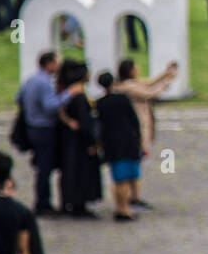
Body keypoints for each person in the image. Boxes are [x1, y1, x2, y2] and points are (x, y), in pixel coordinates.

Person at [16, 52, 82, 216]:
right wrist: (69, 94)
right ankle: (43, 203)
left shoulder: (30, 79)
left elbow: (19, 98)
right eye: (56, 62)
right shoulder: (45, 83)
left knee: (42, 167)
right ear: (49, 64)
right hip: (44, 128)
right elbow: (51, 106)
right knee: (44, 168)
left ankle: (43, 201)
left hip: (32, 127)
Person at [111, 59, 177, 210]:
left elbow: (150, 82)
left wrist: (166, 74)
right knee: (133, 165)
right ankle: (130, 198)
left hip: (140, 128)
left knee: (136, 163)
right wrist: (168, 82)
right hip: (137, 130)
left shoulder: (131, 83)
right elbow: (150, 93)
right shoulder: (127, 87)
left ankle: (133, 197)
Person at [55, 60, 101, 218]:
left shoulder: (69, 93)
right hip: (80, 142)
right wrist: (92, 141)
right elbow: (85, 122)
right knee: (81, 172)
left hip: (71, 140)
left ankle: (69, 202)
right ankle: (79, 204)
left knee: (70, 171)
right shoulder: (79, 96)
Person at [94, 71, 141, 221]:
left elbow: (99, 126)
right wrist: (138, 138)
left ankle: (118, 207)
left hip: (111, 143)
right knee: (126, 179)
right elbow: (134, 120)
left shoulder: (100, 103)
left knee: (117, 178)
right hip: (127, 142)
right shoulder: (122, 99)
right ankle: (125, 209)